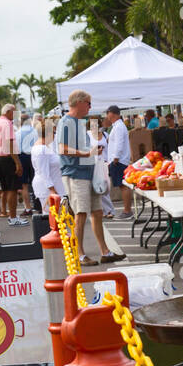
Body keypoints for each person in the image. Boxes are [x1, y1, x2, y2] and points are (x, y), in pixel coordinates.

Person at [57, 90, 123, 265]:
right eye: (88, 103)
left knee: (96, 212)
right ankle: (79, 254)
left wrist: (90, 154)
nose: (90, 107)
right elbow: (62, 148)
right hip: (75, 174)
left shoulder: (78, 122)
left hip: (87, 172)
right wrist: (86, 154)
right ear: (79, 102)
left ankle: (105, 252)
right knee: (80, 214)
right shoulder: (66, 122)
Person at [0, 103, 27, 226]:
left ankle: (10, 215)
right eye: (13, 112)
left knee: (5, 188)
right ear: (9, 112)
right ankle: (13, 217)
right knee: (12, 189)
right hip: (7, 158)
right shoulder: (7, 123)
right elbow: (9, 143)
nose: (14, 115)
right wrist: (17, 162)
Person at [30, 118, 65, 206]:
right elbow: (44, 173)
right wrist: (52, 190)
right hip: (48, 189)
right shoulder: (41, 149)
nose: (54, 135)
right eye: (54, 133)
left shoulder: (43, 147)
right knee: (52, 217)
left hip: (52, 186)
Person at [104, 105, 132, 210]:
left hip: (119, 160)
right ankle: (127, 210)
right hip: (118, 160)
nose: (107, 115)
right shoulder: (117, 126)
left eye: (108, 113)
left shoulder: (119, 126)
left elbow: (119, 143)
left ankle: (127, 210)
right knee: (122, 186)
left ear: (114, 113)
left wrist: (116, 157)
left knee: (123, 186)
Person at [17, 112, 37, 216]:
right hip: (34, 155)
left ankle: (28, 208)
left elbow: (16, 149)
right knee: (35, 181)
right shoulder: (35, 131)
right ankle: (39, 206)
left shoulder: (18, 132)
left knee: (24, 185)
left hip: (23, 156)